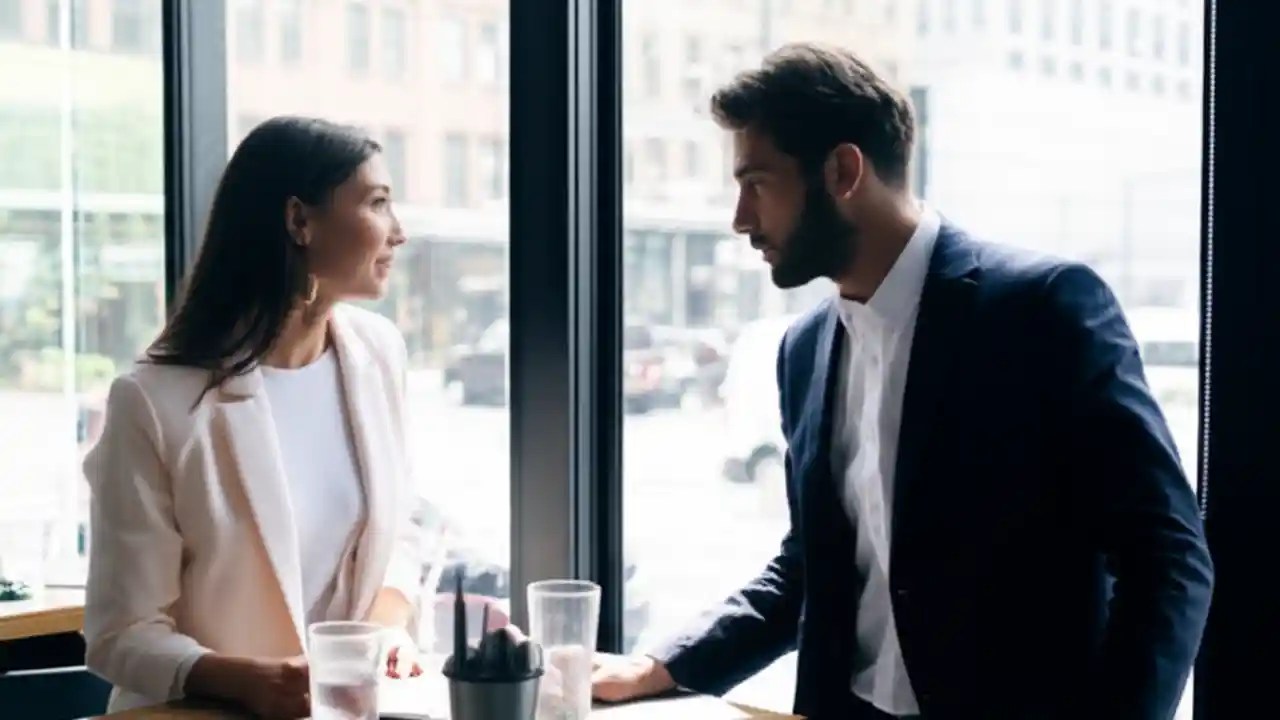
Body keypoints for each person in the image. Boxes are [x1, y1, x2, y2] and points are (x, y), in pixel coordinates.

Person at [592, 43, 1213, 719]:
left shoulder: (1041, 309)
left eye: (759, 183)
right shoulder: (804, 349)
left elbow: (1167, 561)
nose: (742, 218)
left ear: (842, 171)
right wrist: (662, 667)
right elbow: (813, 566)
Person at [83, 116, 422, 718]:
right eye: (377, 203)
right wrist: (246, 680)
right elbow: (120, 634)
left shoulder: (378, 353)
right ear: (299, 221)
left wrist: (384, 629)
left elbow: (397, 532)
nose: (398, 232)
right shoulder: (156, 401)